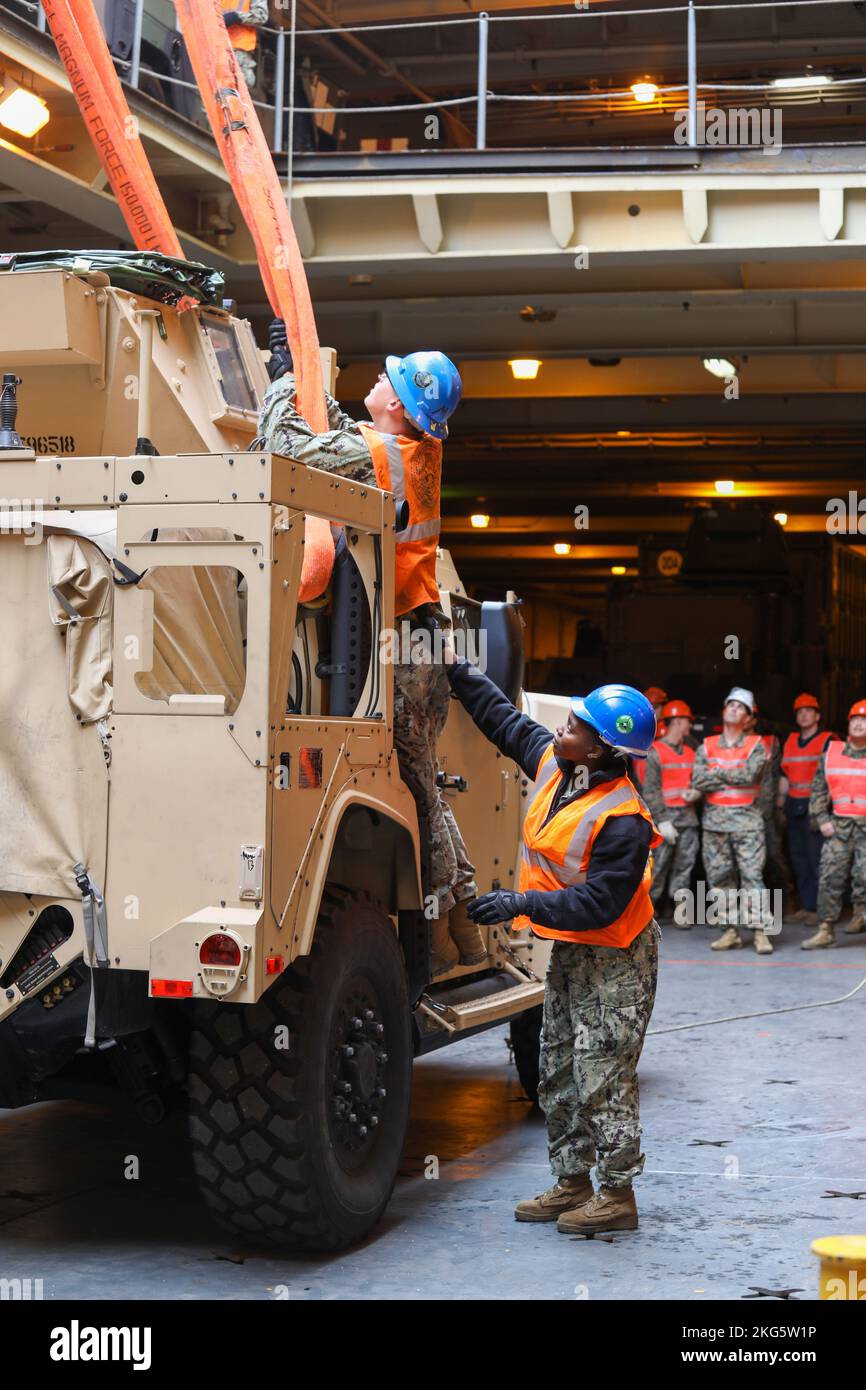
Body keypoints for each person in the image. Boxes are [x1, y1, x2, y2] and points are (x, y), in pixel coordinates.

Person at [259, 321, 483, 976]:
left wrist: (278, 381)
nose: (377, 377)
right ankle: (461, 926)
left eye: (390, 376)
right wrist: (301, 371)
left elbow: (284, 446)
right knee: (420, 784)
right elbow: (340, 440)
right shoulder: (407, 452)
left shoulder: (380, 458)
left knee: (416, 789)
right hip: (419, 639)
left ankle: (449, 926)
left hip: (405, 645)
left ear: (402, 406)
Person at [443, 639, 661, 1235]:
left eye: (573, 727)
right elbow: (504, 721)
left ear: (601, 750)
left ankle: (617, 1195)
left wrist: (518, 901)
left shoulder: (624, 819)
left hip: (617, 955)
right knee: (558, 1065)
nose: (558, 730)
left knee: (602, 1069)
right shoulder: (555, 766)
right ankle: (572, 1182)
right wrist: (456, 668)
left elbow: (598, 902)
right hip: (573, 951)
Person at [691, 687, 772, 953]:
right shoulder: (707, 745)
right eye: (731, 705)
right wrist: (730, 771)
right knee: (719, 878)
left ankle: (760, 931)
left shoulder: (757, 745)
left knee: (752, 877)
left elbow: (750, 776)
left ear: (748, 718)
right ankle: (729, 931)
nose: (734, 709)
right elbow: (698, 779)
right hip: (715, 823)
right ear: (724, 710)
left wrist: (716, 772)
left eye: (741, 707)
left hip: (747, 822)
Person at [804, 699, 866, 949]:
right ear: (848, 723)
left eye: (864, 720)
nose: (859, 723)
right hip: (839, 827)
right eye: (855, 719)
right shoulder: (831, 755)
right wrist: (822, 819)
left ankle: (861, 915)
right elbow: (818, 790)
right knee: (830, 877)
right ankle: (825, 930)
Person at [780, 693, 838, 928]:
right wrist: (779, 806)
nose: (803, 714)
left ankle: (820, 909)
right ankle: (806, 907)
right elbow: (784, 775)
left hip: (817, 809)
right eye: (799, 711)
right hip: (794, 806)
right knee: (799, 858)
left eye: (808, 711)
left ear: (818, 715)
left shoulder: (827, 740)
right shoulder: (791, 740)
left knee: (817, 860)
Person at [643, 700, 700, 925]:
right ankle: (646, 914)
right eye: (688, 720)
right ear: (677, 721)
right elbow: (651, 789)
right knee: (657, 868)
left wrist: (697, 792)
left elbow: (699, 780)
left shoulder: (691, 752)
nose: (690, 725)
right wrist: (663, 821)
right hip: (665, 819)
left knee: (685, 867)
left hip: (687, 818)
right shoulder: (655, 752)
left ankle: (681, 913)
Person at [222, 1, 269, 92]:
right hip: (215, 46)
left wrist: (237, 17)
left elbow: (261, 15)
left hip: (239, 50)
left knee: (237, 90)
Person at [631, 686, 666, 787]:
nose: (653, 712)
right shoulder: (639, 726)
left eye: (655, 708)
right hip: (641, 774)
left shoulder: (666, 729)